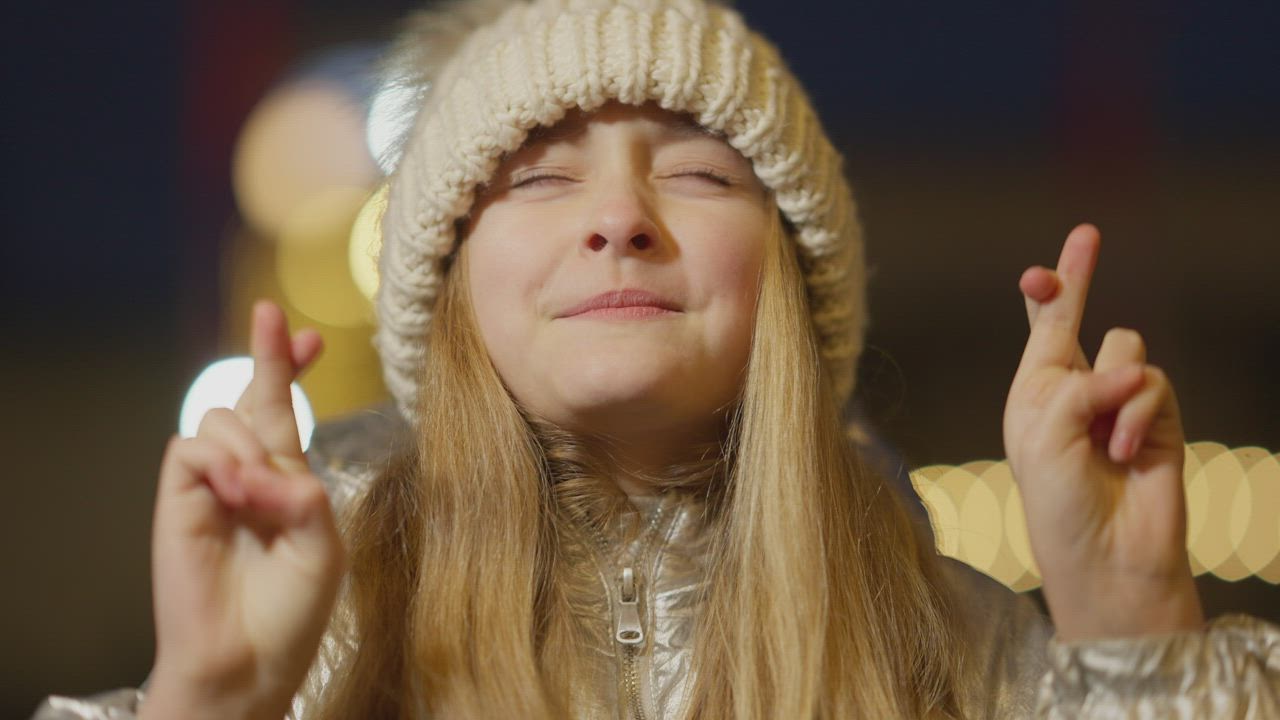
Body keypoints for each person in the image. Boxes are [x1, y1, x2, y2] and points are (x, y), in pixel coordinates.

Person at [35, 0, 1280, 717]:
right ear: (449, 287)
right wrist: (212, 695)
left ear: (787, 286)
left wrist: (1132, 626)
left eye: (696, 173)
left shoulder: (938, 637)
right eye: (537, 177)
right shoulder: (328, 617)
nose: (619, 217)